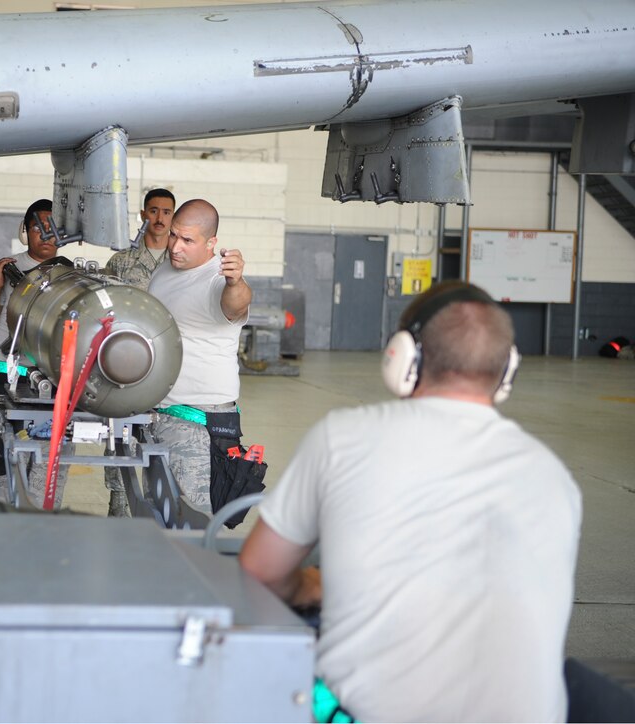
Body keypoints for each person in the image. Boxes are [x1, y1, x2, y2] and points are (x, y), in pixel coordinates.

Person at [238, 281, 582, 722]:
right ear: (507, 370)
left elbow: (259, 573)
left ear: (402, 355)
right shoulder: (554, 475)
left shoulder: (344, 438)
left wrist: (312, 584)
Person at [146, 198, 251, 514]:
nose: (176, 246)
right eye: (174, 236)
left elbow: (237, 304)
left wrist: (236, 281)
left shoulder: (217, 279)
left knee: (193, 520)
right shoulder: (165, 269)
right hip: (160, 416)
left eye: (188, 240)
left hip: (198, 426)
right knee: (159, 515)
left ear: (211, 243)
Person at [0, 198, 68, 508]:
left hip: (53, 393)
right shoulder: (4, 271)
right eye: (38, 227)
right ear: (25, 231)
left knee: (44, 489)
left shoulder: (72, 278)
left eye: (53, 229)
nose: (47, 235)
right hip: (3, 388)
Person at [100, 188, 176, 517]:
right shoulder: (122, 262)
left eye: (167, 212)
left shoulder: (180, 262)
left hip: (170, 373)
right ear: (144, 214)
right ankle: (118, 521)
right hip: (126, 371)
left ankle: (156, 530)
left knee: (163, 456)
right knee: (121, 456)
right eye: (154, 211)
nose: (160, 218)